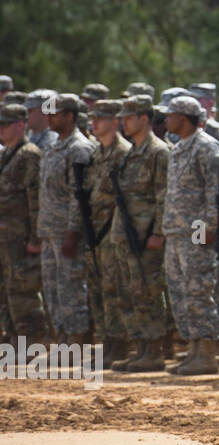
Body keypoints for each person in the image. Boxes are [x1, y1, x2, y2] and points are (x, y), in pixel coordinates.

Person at [162, 96, 219, 375]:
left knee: (198, 290)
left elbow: (215, 192)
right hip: (176, 232)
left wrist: (207, 230)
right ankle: (193, 349)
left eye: (170, 115)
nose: (166, 120)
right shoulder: (178, 148)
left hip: (196, 234)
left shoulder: (207, 148)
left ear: (184, 118)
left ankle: (207, 352)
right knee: (180, 293)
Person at [110, 95, 170, 371]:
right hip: (126, 233)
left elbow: (163, 195)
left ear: (143, 119)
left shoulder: (158, 152)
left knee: (148, 291)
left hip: (145, 236)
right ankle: (140, 347)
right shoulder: (130, 152)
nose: (123, 123)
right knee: (129, 293)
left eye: (128, 118)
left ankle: (154, 350)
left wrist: (158, 232)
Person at [37, 94, 95, 343]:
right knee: (52, 287)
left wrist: (72, 232)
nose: (49, 118)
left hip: (67, 231)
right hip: (49, 229)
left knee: (71, 286)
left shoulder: (79, 149)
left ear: (70, 116)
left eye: (54, 114)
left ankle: (76, 336)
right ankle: (62, 333)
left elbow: (78, 195)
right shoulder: (53, 146)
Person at [85, 100, 131, 366]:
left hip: (112, 231)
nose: (94, 123)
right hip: (95, 230)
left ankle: (119, 343)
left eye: (100, 119)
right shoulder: (97, 152)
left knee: (115, 289)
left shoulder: (122, 153)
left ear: (115, 121)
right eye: (93, 118)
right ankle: (106, 342)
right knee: (98, 289)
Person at [0, 102, 46, 344]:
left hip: (20, 235)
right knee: (6, 288)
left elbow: (35, 197)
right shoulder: (7, 153)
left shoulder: (28, 154)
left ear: (20, 125)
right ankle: (12, 336)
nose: (1, 129)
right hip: (5, 236)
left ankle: (31, 340)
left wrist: (36, 237)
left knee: (23, 289)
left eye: (5, 125)